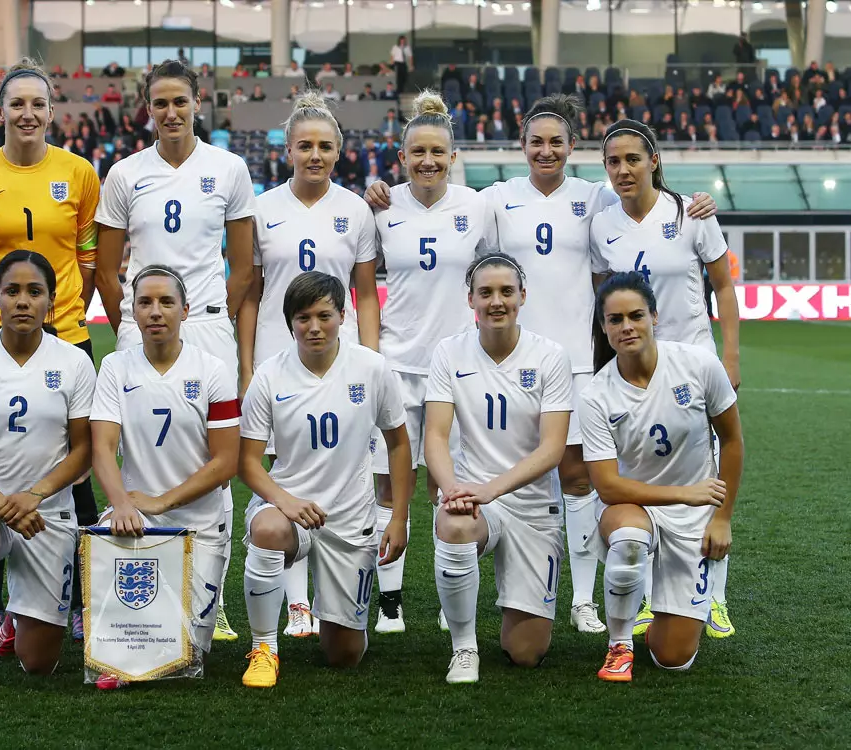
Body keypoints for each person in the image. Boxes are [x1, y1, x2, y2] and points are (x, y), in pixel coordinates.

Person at [365, 95, 719, 636]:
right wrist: (381, 192)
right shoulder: (495, 201)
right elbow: (459, 245)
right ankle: (451, 588)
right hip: (505, 359)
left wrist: (690, 202)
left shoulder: (597, 198)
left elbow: (641, 196)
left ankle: (581, 599)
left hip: (576, 361)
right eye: (536, 142)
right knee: (458, 475)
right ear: (522, 147)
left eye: (557, 142)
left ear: (573, 147)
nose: (546, 150)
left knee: (577, 478)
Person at [94, 59, 256, 642]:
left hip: (208, 323)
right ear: (146, 108)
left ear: (197, 103)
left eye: (179, 102)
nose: (170, 113)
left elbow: (242, 267)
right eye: (159, 103)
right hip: (144, 323)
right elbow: (108, 269)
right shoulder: (124, 174)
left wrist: (217, 318)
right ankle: (146, 571)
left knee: (214, 452)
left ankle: (213, 591)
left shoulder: (229, 169)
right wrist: (127, 325)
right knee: (141, 447)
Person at [0, 58, 102, 645]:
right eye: (18, 104)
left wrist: (61, 311)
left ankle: (85, 600)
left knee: (80, 468)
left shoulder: (79, 173)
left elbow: (87, 253)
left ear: (52, 109)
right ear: (0, 111)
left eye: (38, 103)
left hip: (67, 333)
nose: (28, 114)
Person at [588, 119, 741, 639]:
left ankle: (714, 596)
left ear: (653, 159)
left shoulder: (690, 214)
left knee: (708, 478)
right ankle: (650, 594)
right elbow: (601, 302)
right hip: (634, 370)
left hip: (694, 363)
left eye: (633, 158)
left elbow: (723, 286)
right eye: (613, 162)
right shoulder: (602, 223)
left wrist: (732, 356)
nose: (624, 169)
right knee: (644, 474)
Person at [237, 92, 381, 639]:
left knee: (334, 465)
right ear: (288, 149)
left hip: (338, 361)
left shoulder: (355, 211)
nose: (314, 155)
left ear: (339, 152)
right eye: (305, 146)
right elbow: (251, 295)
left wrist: (369, 358)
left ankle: (343, 591)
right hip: (280, 364)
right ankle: (297, 603)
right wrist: (247, 365)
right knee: (284, 474)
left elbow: (365, 295)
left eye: (325, 146)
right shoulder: (262, 208)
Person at [237, 271, 412, 688]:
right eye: (303, 318)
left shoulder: (372, 368)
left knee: (345, 655)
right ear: (289, 322)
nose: (314, 327)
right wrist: (285, 501)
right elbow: (247, 463)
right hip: (288, 511)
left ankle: (335, 609)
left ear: (342, 315)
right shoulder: (269, 375)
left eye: (324, 316)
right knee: (267, 528)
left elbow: (400, 445)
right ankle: (264, 649)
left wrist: (399, 518)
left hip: (350, 520)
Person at [0, 251, 96, 691]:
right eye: (13, 291)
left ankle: (14, 620)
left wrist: (36, 494)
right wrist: (3, 503)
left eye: (34, 291)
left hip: (46, 509)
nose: (23, 301)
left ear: (51, 300)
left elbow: (84, 449)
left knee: (39, 664)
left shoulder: (74, 362)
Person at [581, 272, 743, 682]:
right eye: (615, 320)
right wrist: (684, 494)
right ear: (603, 326)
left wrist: (721, 517)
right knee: (630, 537)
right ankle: (619, 645)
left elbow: (733, 441)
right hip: (633, 507)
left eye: (636, 315)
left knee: (674, 658)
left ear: (654, 315)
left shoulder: (699, 364)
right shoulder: (596, 395)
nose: (626, 326)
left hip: (694, 517)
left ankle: (663, 623)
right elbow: (607, 486)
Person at [364, 90, 485, 634]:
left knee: (447, 488)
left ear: (452, 156)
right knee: (388, 488)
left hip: (457, 369)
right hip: (396, 364)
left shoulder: (479, 207)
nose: (428, 161)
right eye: (418, 153)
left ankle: (447, 594)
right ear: (402, 156)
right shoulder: (382, 209)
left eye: (438, 152)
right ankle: (389, 604)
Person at [90, 265, 241, 688]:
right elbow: (102, 447)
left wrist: (162, 501)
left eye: (166, 302)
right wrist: (121, 503)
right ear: (132, 313)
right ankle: (124, 647)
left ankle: (140, 647)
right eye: (145, 302)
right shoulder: (115, 368)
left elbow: (227, 461)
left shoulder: (212, 370)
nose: (156, 312)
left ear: (186, 311)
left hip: (200, 524)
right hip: (135, 519)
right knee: (135, 646)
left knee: (186, 657)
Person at [425, 252, 573, 684]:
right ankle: (464, 648)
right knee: (453, 523)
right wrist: (453, 487)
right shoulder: (449, 352)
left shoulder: (550, 356)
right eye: (485, 292)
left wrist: (491, 488)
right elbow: (435, 435)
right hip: (475, 501)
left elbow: (552, 449)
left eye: (506, 291)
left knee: (526, 653)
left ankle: (497, 600)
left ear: (522, 296)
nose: (496, 301)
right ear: (470, 299)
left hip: (532, 509)